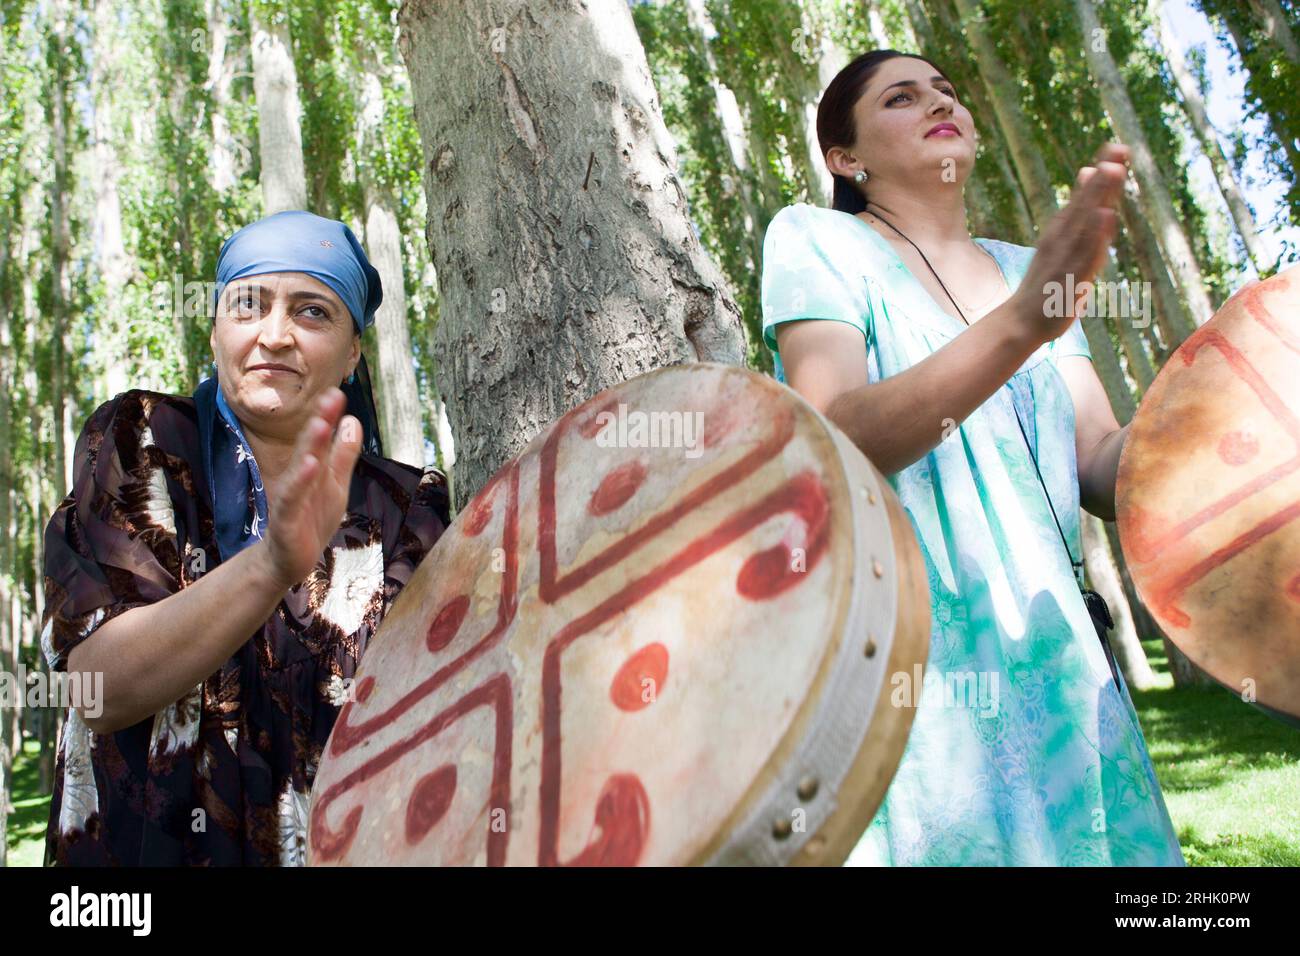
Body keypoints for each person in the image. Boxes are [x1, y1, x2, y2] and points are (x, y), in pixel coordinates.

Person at [761, 50, 1184, 865]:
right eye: (901, 98)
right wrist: (1023, 323)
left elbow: (1099, 463)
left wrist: (1211, 416)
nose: (936, 103)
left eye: (946, 91)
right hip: (918, 671)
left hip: (1060, 656)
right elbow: (837, 432)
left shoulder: (1029, 269)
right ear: (846, 160)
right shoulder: (814, 239)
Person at [40, 210, 451, 865]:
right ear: (215, 333)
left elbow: (427, 718)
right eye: (248, 305)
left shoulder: (407, 505)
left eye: (313, 312)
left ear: (352, 354)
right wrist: (271, 566)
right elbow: (98, 689)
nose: (275, 334)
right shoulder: (141, 441)